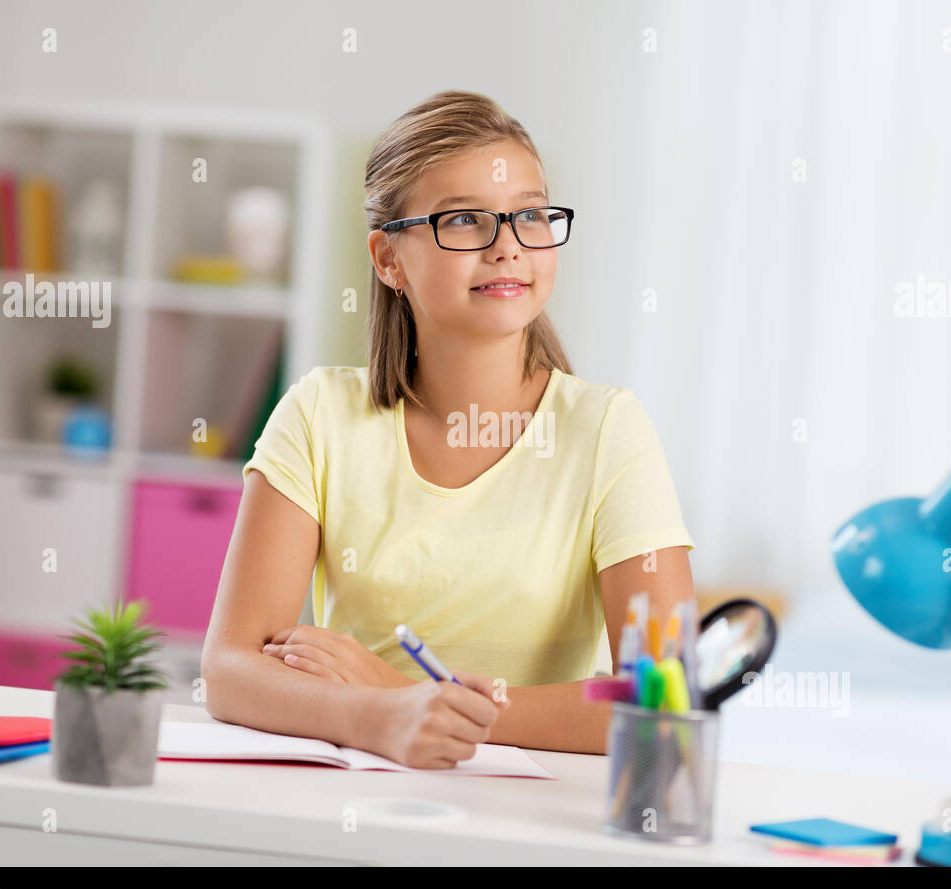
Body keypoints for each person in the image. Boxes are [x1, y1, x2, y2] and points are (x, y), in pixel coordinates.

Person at [202, 90, 694, 768]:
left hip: (526, 809)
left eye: (529, 214)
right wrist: (383, 718)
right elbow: (230, 670)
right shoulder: (319, 415)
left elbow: (665, 699)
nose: (508, 247)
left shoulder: (608, 430)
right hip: (353, 795)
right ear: (388, 259)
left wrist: (405, 696)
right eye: (464, 220)